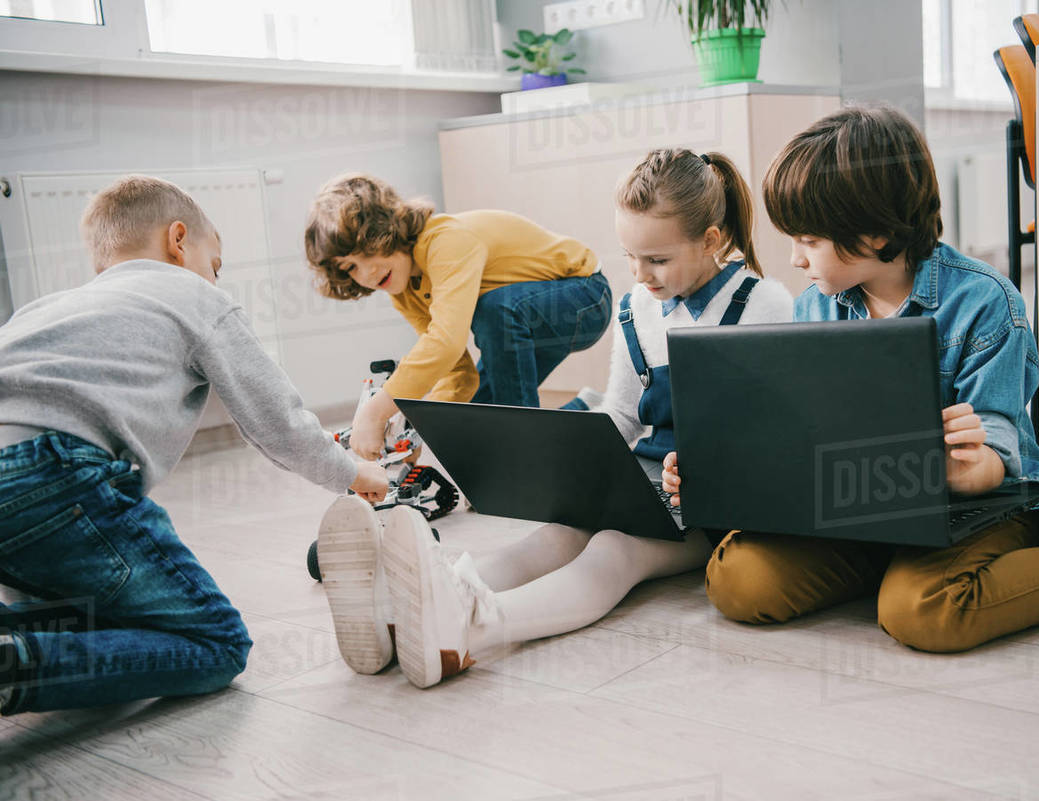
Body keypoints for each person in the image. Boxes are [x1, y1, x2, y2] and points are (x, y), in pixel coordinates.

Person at [662, 106, 1039, 652]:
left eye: (809, 241)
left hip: (984, 506)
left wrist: (964, 467)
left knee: (925, 612)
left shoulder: (985, 302)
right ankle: (894, 564)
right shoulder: (815, 306)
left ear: (877, 232)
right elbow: (792, 436)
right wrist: (721, 470)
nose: (794, 259)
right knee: (738, 581)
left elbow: (998, 449)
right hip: (858, 508)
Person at [316, 149, 794, 685]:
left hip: (708, 503)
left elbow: (773, 428)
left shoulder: (762, 303)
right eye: (630, 257)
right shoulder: (637, 305)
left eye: (657, 260)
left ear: (711, 240)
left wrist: (706, 468)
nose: (640, 275)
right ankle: (400, 611)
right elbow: (620, 414)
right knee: (556, 534)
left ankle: (470, 632)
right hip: (641, 482)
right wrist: (571, 463)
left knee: (613, 551)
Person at [0, 176, 389, 714]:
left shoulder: (42, 309)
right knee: (217, 644)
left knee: (93, 616)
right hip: (61, 474)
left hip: (22, 490)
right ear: (177, 240)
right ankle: (15, 662)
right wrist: (354, 474)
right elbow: (276, 421)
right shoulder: (192, 295)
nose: (215, 278)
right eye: (216, 264)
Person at [303, 174, 613, 462]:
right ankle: (589, 411)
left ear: (385, 229)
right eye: (351, 268)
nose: (367, 273)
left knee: (493, 309)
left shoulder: (445, 241)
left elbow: (446, 344)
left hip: (585, 296)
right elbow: (457, 371)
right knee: (477, 416)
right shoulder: (403, 291)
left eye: (368, 251)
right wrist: (419, 428)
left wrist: (376, 412)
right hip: (522, 319)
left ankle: (525, 455)